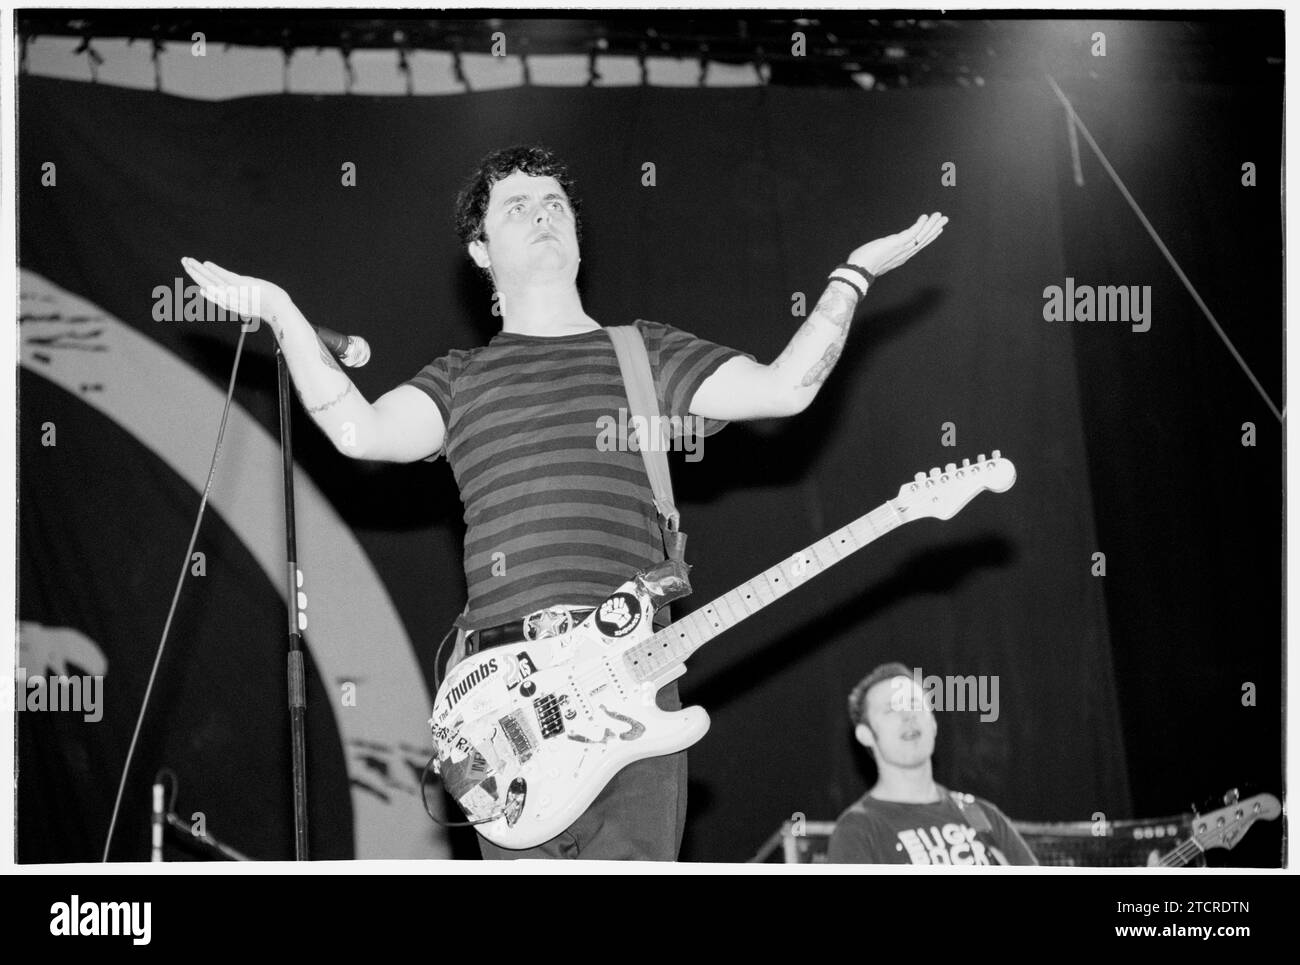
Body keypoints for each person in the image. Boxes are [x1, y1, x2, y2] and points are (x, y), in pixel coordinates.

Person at [182, 145, 946, 860]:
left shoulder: (643, 352)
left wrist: (852, 275)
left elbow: (787, 386)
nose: (543, 212)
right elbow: (360, 432)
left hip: (633, 690)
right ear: (480, 252)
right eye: (517, 206)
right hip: (504, 714)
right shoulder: (459, 378)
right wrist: (284, 315)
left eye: (555, 203)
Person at [828, 662, 1037, 865]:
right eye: (891, 709)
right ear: (866, 735)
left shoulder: (979, 814)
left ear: (933, 723)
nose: (908, 715)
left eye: (915, 704)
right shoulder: (858, 829)